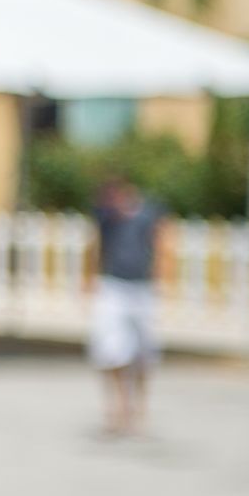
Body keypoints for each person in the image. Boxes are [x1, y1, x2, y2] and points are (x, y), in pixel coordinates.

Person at [86, 173, 169, 437]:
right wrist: (88, 278)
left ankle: (139, 411)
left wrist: (164, 277)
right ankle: (117, 410)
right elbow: (94, 245)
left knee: (144, 353)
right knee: (110, 351)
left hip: (142, 287)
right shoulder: (105, 217)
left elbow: (163, 241)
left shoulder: (148, 213)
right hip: (112, 285)